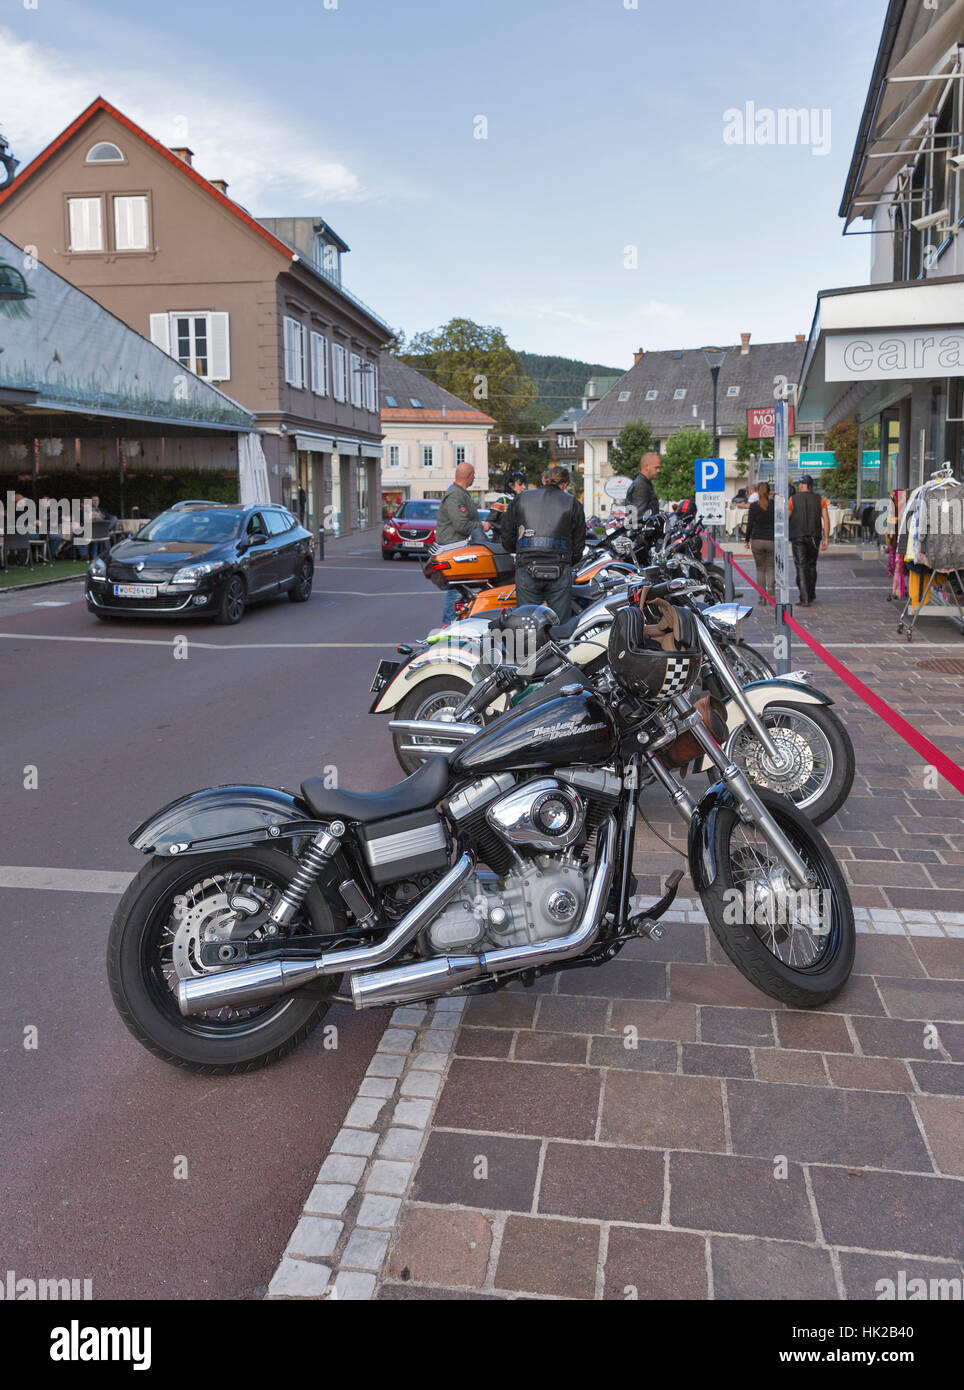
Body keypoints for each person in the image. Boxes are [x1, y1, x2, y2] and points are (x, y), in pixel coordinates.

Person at [502, 464, 586, 621]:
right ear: (565, 484)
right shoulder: (572, 502)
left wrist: (519, 551)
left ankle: (529, 646)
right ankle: (557, 645)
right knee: (559, 625)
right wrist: (569, 560)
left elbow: (506, 534)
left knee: (526, 622)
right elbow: (579, 541)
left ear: (545, 480)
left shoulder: (522, 498)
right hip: (559, 567)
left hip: (527, 566)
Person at [435, 461, 487, 624]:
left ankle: (453, 623)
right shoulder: (456, 495)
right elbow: (461, 525)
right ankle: (449, 624)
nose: (474, 478)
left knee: (460, 588)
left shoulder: (459, 493)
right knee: (456, 588)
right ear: (469, 476)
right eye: (474, 475)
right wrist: (482, 526)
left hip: (456, 548)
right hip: (454, 548)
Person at [788, 474, 829, 607]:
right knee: (812, 565)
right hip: (814, 536)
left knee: (801, 565)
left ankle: (804, 597)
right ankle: (811, 594)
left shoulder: (792, 499)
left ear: (802, 485)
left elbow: (786, 517)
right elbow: (826, 519)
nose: (799, 486)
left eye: (800, 484)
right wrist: (826, 538)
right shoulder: (820, 499)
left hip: (797, 536)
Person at [744, 481, 775, 605]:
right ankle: (772, 592)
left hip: (757, 539)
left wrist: (746, 539)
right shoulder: (773, 505)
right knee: (771, 567)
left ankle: (762, 597)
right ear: (769, 491)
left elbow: (750, 524)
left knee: (760, 569)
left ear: (757, 492)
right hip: (771, 540)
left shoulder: (754, 506)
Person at [626, 452, 661, 522]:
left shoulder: (645, 483)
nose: (658, 471)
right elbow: (639, 517)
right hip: (642, 531)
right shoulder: (641, 485)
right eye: (656, 467)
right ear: (646, 466)